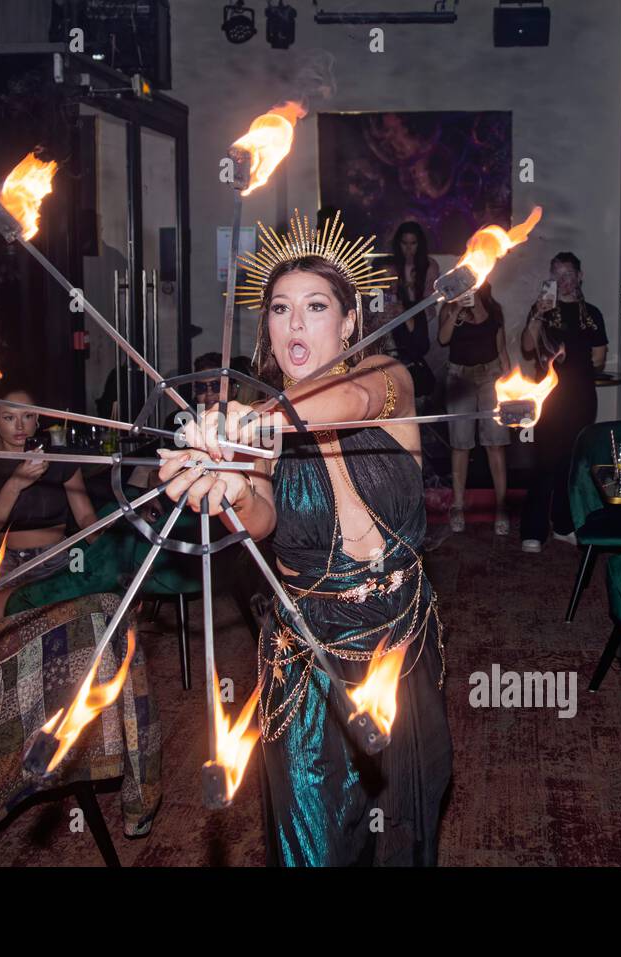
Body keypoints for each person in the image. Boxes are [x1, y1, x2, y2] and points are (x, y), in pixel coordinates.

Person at [156, 229, 452, 866]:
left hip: (402, 635)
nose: (297, 320)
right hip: (308, 647)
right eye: (281, 307)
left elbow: (351, 401)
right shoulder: (255, 422)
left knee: (406, 822)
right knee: (313, 835)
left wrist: (254, 424)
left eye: (316, 306)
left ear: (348, 322)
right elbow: (259, 519)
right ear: (266, 326)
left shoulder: (385, 378)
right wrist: (230, 488)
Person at [0, 384, 102, 586]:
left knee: (84, 607)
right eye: (9, 417)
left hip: (56, 558)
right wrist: (15, 483)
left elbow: (85, 517)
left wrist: (106, 547)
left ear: (37, 417)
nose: (20, 426)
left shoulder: (60, 460)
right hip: (6, 561)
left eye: (27, 416)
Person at [519, 253, 608, 553]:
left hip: (581, 396)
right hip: (548, 396)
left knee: (572, 463)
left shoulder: (592, 313)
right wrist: (538, 316)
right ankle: (532, 531)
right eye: (557, 274)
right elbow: (528, 346)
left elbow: (599, 358)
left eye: (569, 273)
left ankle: (564, 524)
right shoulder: (542, 310)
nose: (564, 280)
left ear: (580, 276)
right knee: (544, 460)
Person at [437, 281, 511, 535]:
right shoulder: (450, 306)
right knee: (460, 443)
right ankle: (457, 507)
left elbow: (502, 351)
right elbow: (443, 339)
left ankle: (502, 508)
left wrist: (511, 387)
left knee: (495, 442)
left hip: (491, 377)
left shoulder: (493, 308)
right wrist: (457, 308)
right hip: (460, 379)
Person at [385, 221, 441, 404]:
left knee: (421, 382)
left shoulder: (429, 266)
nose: (409, 249)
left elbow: (430, 303)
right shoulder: (390, 266)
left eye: (413, 243)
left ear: (420, 244)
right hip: (395, 324)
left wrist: (413, 315)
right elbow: (382, 301)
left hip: (422, 324)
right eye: (404, 243)